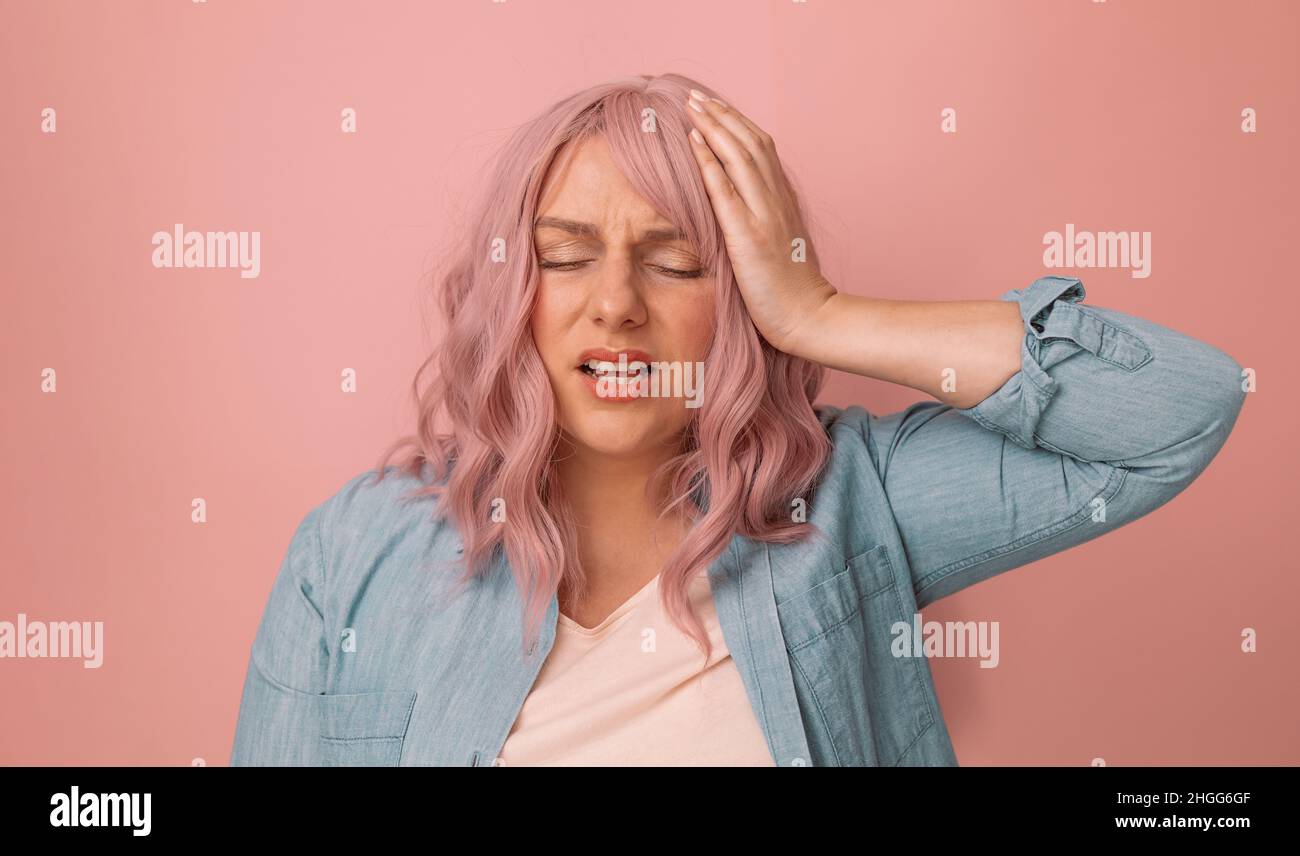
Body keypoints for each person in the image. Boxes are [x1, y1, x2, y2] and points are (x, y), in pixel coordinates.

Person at [230, 74, 1246, 767]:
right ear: (509, 294)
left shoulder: (856, 503)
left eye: (676, 262)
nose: (616, 303)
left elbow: (1178, 412)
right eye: (566, 255)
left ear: (740, 300)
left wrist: (823, 314)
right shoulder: (353, 551)